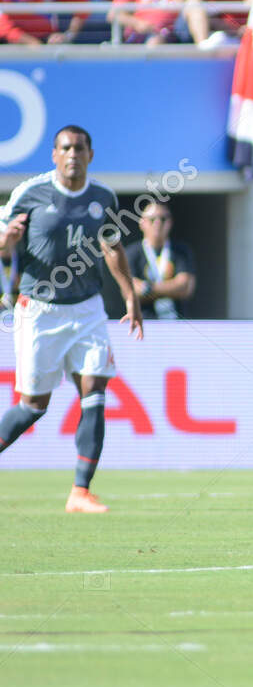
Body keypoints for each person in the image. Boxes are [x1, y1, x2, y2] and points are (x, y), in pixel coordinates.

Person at [0, 126, 143, 513]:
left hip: (88, 308)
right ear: (54, 154)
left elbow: (112, 248)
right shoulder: (30, 194)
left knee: (95, 390)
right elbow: (2, 243)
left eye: (80, 148)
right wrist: (6, 240)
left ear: (90, 155)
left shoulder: (103, 197)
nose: (73, 154)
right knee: (33, 406)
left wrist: (130, 295)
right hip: (40, 310)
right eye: (65, 148)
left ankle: (80, 491)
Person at [123, 199, 196, 319]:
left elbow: (185, 288)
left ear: (170, 222)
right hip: (144, 323)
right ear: (142, 223)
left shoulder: (181, 251)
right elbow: (129, 291)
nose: (158, 224)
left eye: (163, 219)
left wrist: (147, 288)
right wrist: (171, 288)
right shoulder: (131, 253)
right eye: (152, 219)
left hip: (177, 323)